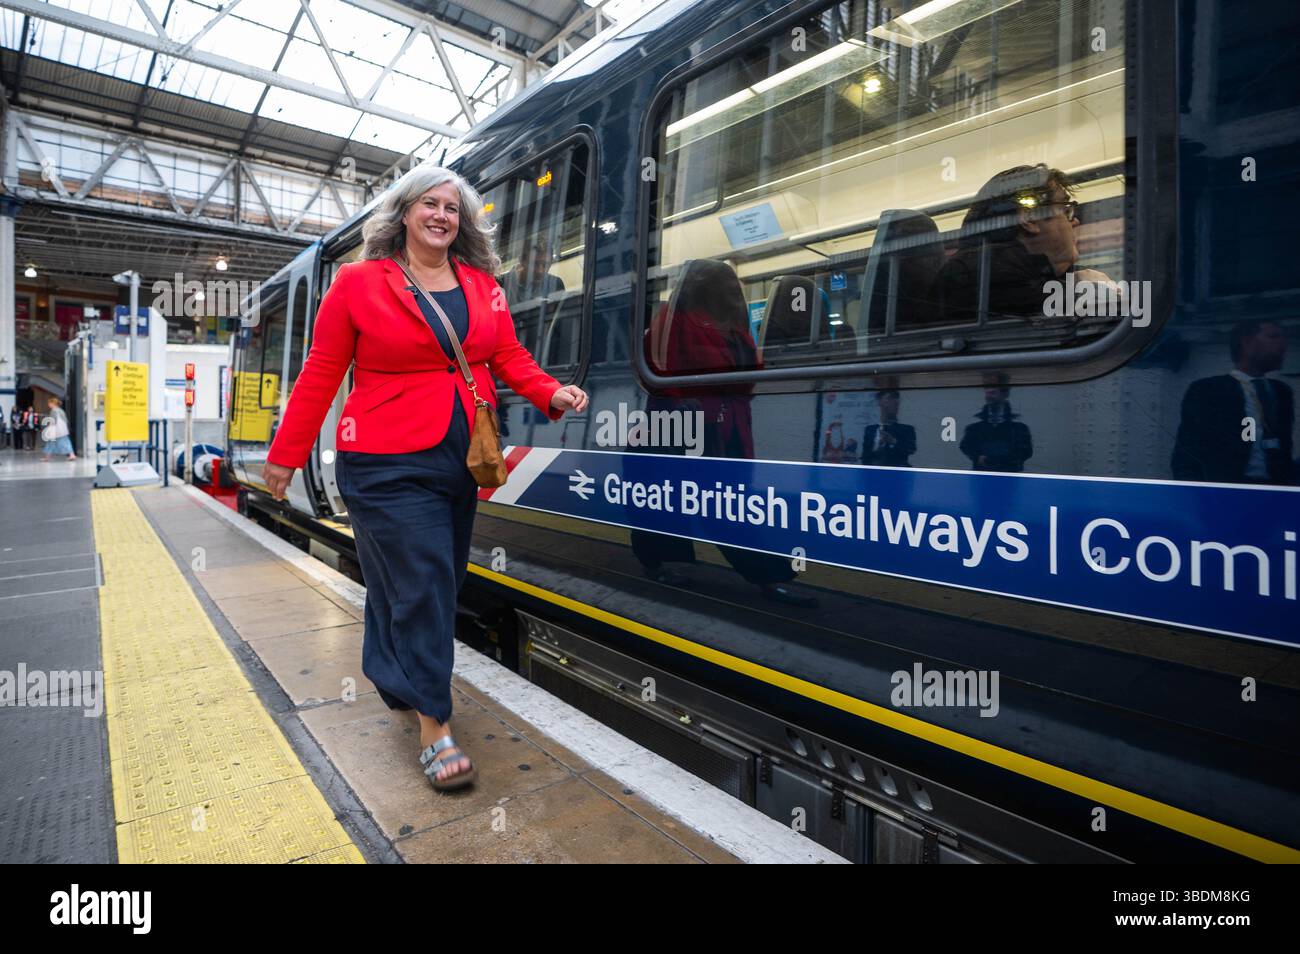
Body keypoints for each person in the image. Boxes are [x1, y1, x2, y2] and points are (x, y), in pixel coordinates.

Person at [261, 166, 588, 792]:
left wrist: (551, 393)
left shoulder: (482, 286)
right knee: (428, 581)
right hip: (382, 461)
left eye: (453, 208)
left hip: (460, 456)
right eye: (430, 204)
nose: (442, 215)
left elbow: (507, 357)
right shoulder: (359, 282)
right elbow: (322, 370)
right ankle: (434, 726)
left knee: (410, 581)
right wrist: (286, 452)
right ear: (405, 213)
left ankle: (391, 672)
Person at [634, 258, 816, 607]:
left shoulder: (734, 326)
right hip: (682, 432)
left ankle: (764, 577)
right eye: (726, 286)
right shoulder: (674, 322)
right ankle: (661, 564)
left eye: (735, 286)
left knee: (728, 506)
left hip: (728, 428)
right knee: (678, 503)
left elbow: (749, 375)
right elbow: (657, 370)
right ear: (704, 288)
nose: (734, 292)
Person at [934, 163, 1115, 325]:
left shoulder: (1026, 274)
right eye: (1065, 210)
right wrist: (1085, 290)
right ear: (1030, 219)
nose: (1075, 221)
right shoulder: (980, 276)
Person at [1171, 319, 1294, 484]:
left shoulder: (1282, 392)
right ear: (1247, 342)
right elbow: (1187, 451)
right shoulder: (1208, 390)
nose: (1283, 345)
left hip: (1274, 492)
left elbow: (1284, 447)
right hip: (1227, 492)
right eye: (1273, 336)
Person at [960, 386, 1034, 472]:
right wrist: (977, 457)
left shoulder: (1019, 429)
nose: (989, 396)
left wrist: (1007, 459)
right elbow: (965, 446)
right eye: (987, 393)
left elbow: (1026, 451)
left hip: (1011, 475)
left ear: (1004, 394)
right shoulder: (974, 429)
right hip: (981, 475)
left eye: (993, 392)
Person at [862, 390, 916, 466]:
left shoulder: (907, 429)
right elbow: (865, 455)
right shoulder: (870, 430)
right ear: (879, 402)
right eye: (889, 399)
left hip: (897, 473)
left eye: (896, 399)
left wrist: (893, 441)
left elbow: (910, 450)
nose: (894, 402)